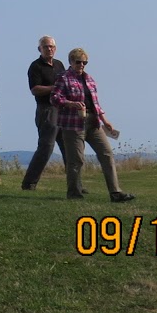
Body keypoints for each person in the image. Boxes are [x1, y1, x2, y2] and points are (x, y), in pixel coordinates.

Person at [50, 48, 134, 203]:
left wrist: (105, 120)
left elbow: (96, 104)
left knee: (107, 153)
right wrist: (71, 104)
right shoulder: (63, 78)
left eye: (84, 62)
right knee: (76, 159)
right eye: (78, 62)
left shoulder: (90, 79)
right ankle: (74, 193)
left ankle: (115, 192)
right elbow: (55, 98)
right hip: (73, 124)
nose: (81, 65)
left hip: (93, 122)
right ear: (71, 62)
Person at [20, 35, 62, 190]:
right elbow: (35, 89)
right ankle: (29, 183)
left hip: (62, 110)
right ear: (40, 49)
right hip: (46, 110)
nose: (49, 49)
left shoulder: (59, 65)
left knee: (69, 148)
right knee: (46, 147)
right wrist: (54, 88)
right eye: (46, 47)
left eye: (51, 46)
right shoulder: (36, 66)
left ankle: (75, 185)